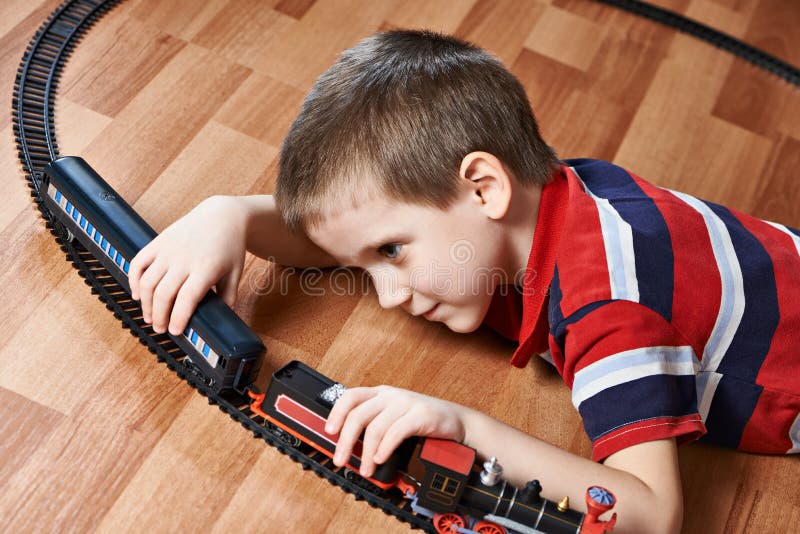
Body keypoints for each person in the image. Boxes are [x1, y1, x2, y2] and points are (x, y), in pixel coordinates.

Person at [127, 30, 800, 533]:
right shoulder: (544, 200)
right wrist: (232, 217)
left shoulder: (608, 306)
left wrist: (462, 425)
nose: (388, 294)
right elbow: (337, 237)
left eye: (393, 252)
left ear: (484, 188)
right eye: (371, 262)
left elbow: (648, 515)